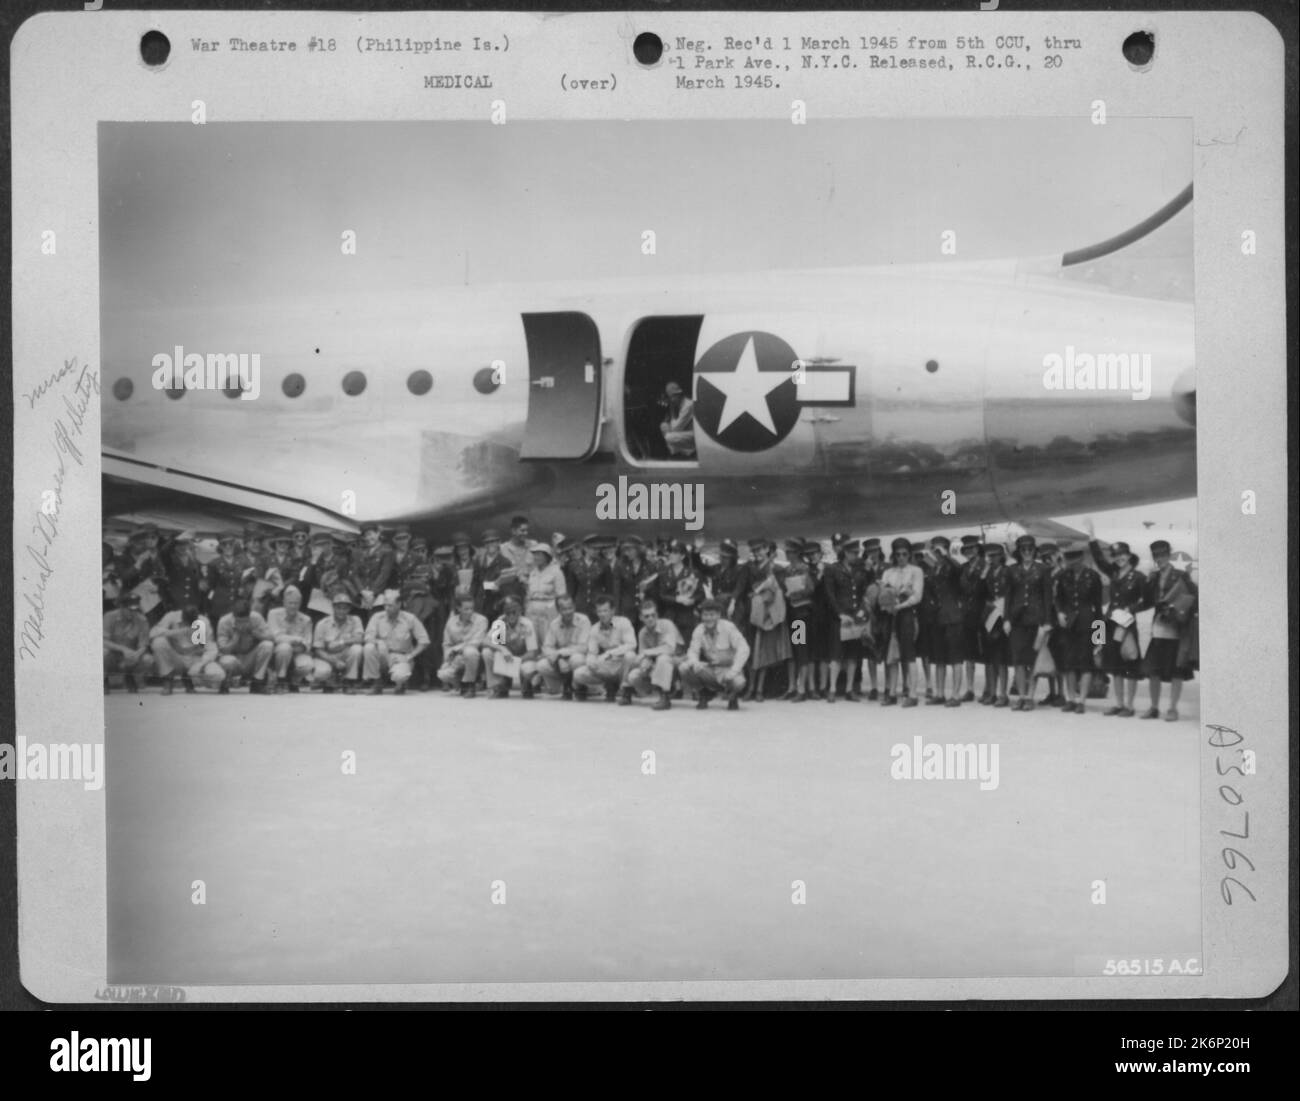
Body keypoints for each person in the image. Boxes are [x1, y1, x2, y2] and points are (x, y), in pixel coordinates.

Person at [1142, 539, 1197, 721]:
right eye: (1156, 556)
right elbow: (1148, 601)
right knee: (1153, 671)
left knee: (1176, 671)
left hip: (1175, 629)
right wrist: (1148, 583)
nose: (1160, 559)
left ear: (1169, 554)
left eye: (1163, 555)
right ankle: (1154, 707)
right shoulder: (1154, 577)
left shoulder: (1181, 575)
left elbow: (1192, 598)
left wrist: (1174, 610)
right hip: (1158, 628)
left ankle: (1172, 708)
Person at [1091, 543, 1145, 716]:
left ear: (1129, 555)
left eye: (1122, 554)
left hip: (1127, 623)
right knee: (1115, 665)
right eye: (1115, 555)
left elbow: (1147, 599)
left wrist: (1132, 608)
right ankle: (1119, 703)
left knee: (1130, 664)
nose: (1119, 558)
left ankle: (1129, 706)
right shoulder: (1113, 574)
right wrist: (1092, 538)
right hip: (1112, 623)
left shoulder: (1138, 577)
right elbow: (1100, 561)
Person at [1005, 534, 1054, 712]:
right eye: (1024, 550)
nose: (1027, 552)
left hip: (1036, 619)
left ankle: (1030, 696)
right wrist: (1007, 619)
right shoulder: (1011, 570)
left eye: (1030, 549)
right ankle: (1022, 695)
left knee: (1033, 660)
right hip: (1017, 619)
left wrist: (1047, 621)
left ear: (1035, 551)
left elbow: (1047, 597)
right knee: (1018, 660)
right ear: (1019, 552)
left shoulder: (1043, 569)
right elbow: (1008, 596)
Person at [1053, 543, 1104, 712]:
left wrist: (1099, 637)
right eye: (1069, 562)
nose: (1071, 565)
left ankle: (1082, 700)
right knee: (1068, 663)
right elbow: (1058, 599)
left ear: (1081, 559)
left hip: (1086, 623)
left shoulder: (1093, 576)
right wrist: (1060, 612)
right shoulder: (1062, 576)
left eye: (1074, 561)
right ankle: (1071, 699)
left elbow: (1098, 607)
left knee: (1086, 663)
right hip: (1068, 624)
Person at [878, 538, 924, 706]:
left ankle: (912, 694)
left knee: (909, 655)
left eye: (904, 554)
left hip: (906, 615)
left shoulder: (916, 571)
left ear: (909, 554)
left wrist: (900, 604)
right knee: (891, 655)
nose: (901, 557)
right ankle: (891, 692)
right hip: (891, 616)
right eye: (898, 554)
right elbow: (882, 594)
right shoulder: (888, 573)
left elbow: (917, 596)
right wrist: (888, 603)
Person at [681, 599, 751, 710]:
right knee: (684, 668)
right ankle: (704, 693)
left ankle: (732, 696)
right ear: (701, 616)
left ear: (718, 615)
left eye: (712, 615)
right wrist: (694, 663)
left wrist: (734, 671)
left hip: (728, 670)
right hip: (711, 671)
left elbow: (744, 649)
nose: (708, 618)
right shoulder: (699, 630)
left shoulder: (728, 627)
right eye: (705, 615)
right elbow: (692, 651)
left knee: (739, 682)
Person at [925, 536, 967, 707]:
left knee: (956, 658)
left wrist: (948, 556)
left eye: (940, 549)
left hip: (952, 617)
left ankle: (955, 695)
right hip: (938, 617)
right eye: (935, 549)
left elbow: (959, 571)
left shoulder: (952, 566)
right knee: (939, 658)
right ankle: (940, 693)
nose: (937, 552)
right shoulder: (934, 568)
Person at [362, 589, 429, 695]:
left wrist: (410, 656)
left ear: (399, 604)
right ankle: (376, 682)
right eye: (385, 605)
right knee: (369, 648)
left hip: (401, 656)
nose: (386, 608)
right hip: (383, 655)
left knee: (400, 676)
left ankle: (400, 684)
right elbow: (367, 637)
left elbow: (424, 641)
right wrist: (377, 642)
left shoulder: (410, 619)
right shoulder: (377, 617)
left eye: (390, 605)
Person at [149, 601, 224, 693]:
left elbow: (211, 648)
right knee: (158, 642)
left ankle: (189, 680)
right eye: (188, 622)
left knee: (217, 675)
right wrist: (177, 632)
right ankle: (168, 680)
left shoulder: (204, 622)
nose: (190, 625)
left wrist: (201, 665)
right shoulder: (171, 616)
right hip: (176, 657)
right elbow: (152, 633)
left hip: (194, 658)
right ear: (182, 616)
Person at [622, 599, 683, 710]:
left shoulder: (667, 625)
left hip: (676, 662)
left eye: (653, 615)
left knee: (663, 658)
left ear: (657, 615)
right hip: (657, 664)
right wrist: (645, 662)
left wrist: (648, 653)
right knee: (634, 676)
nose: (650, 618)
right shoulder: (642, 633)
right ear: (641, 618)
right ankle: (634, 691)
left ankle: (665, 697)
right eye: (646, 616)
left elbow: (670, 649)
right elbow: (642, 655)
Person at [574, 595, 637, 701]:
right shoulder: (594, 629)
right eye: (599, 611)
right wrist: (591, 661)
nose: (602, 614)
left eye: (605, 611)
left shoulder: (623, 622)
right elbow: (592, 652)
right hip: (606, 665)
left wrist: (611, 653)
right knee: (579, 674)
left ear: (613, 611)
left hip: (621, 664)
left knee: (630, 656)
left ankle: (624, 689)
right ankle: (609, 685)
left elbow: (632, 644)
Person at [481, 596, 540, 699]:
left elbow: (532, 653)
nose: (511, 615)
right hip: (506, 656)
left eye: (514, 612)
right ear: (504, 613)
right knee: (487, 652)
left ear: (520, 612)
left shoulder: (526, 624)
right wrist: (502, 649)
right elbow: (485, 641)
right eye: (508, 613)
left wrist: (515, 661)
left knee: (528, 670)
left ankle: (526, 685)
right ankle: (498, 685)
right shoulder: (501, 621)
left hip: (523, 658)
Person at [780, 538, 817, 701]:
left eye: (789, 552)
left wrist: (792, 593)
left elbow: (810, 588)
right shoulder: (788, 569)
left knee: (801, 650)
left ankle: (801, 688)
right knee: (794, 650)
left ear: (796, 553)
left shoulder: (803, 568)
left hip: (801, 614)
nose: (787, 554)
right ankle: (793, 686)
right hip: (792, 613)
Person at [536, 595, 591, 699]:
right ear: (558, 610)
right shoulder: (554, 624)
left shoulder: (584, 621)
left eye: (570, 608)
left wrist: (561, 654)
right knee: (541, 665)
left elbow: (583, 647)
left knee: (577, 659)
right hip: (560, 662)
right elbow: (547, 647)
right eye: (564, 609)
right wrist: (557, 659)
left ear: (574, 607)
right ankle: (564, 687)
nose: (568, 612)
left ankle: (580, 686)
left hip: (578, 658)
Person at [216, 597, 275, 694]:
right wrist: (235, 638)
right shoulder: (224, 622)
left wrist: (257, 634)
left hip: (250, 658)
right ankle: (225, 682)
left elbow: (272, 638)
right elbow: (223, 650)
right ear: (233, 616)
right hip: (234, 659)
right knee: (227, 661)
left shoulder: (256, 618)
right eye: (239, 621)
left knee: (267, 645)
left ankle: (257, 682)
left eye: (245, 621)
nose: (242, 624)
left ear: (249, 615)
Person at [311, 591, 365, 693]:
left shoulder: (355, 620)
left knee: (357, 649)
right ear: (333, 608)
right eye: (338, 608)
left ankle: (349, 681)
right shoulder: (322, 624)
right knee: (321, 673)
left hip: (345, 656)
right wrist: (334, 661)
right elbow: (318, 650)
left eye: (345, 608)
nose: (341, 611)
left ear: (349, 609)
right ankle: (328, 679)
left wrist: (342, 642)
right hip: (327, 657)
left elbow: (360, 639)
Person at [977, 543, 1011, 707]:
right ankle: (991, 691)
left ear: (1001, 556)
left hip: (1003, 615)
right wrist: (983, 574)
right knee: (989, 658)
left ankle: (1002, 693)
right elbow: (979, 592)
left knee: (1001, 659)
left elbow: (1011, 592)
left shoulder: (1007, 571)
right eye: (990, 556)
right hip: (989, 615)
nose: (993, 559)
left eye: (996, 556)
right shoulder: (987, 573)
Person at [266, 584, 316, 693]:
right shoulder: (273, 614)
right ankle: (281, 679)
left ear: (300, 604)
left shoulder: (306, 620)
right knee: (284, 648)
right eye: (290, 603)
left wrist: (291, 644)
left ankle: (293, 680)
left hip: (297, 653)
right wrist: (296, 639)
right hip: (277, 653)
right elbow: (276, 637)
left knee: (308, 665)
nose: (293, 606)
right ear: (284, 602)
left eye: (296, 603)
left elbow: (307, 644)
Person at [438, 594, 489, 697]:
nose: (470, 611)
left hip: (476, 657)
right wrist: (447, 659)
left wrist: (457, 649)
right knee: (442, 674)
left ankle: (470, 684)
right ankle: (461, 684)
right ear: (458, 608)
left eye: (471, 608)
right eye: (466, 609)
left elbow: (477, 641)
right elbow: (446, 644)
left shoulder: (481, 620)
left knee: (470, 652)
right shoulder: (451, 622)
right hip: (457, 657)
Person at [103, 592, 154, 692]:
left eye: (135, 609)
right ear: (121, 607)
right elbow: (103, 641)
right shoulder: (110, 616)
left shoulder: (141, 619)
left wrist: (137, 654)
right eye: (130, 609)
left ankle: (129, 676)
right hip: (112, 653)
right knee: (102, 652)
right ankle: (103, 680)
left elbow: (143, 644)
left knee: (148, 659)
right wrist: (123, 649)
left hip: (131, 655)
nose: (133, 612)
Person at [524, 541, 568, 643]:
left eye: (539, 555)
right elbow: (529, 593)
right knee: (532, 639)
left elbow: (561, 594)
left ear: (547, 556)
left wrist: (561, 613)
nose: (536, 557)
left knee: (548, 639)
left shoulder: (556, 572)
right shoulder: (533, 572)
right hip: (532, 609)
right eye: (534, 555)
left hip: (549, 609)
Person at [613, 535, 658, 628]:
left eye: (630, 550)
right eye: (625, 550)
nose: (627, 553)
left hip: (645, 610)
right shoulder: (620, 566)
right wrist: (616, 613)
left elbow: (654, 591)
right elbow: (617, 591)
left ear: (638, 550)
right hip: (626, 610)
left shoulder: (649, 566)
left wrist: (647, 589)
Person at [566, 536, 613, 621]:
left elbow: (609, 589)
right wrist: (570, 605)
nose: (597, 551)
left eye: (598, 549)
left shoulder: (604, 565)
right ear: (585, 548)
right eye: (593, 549)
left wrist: (608, 606)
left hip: (597, 605)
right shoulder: (574, 565)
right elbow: (571, 589)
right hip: (580, 605)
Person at [354, 523, 397, 614]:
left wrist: (372, 593)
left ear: (378, 533)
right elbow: (355, 574)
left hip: (379, 596)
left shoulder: (387, 551)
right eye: (365, 535)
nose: (368, 538)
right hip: (363, 596)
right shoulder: (361, 552)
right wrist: (363, 591)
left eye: (370, 534)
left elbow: (384, 574)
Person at [659, 380, 696, 458]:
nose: (672, 400)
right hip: (686, 433)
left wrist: (671, 416)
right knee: (664, 426)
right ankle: (678, 453)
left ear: (679, 394)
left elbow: (676, 428)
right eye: (671, 397)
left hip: (695, 436)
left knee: (668, 436)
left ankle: (687, 452)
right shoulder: (679, 405)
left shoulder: (688, 405)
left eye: (673, 396)